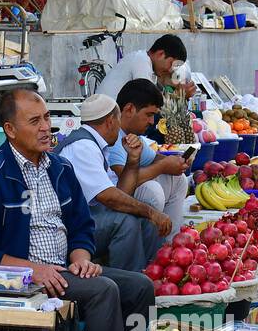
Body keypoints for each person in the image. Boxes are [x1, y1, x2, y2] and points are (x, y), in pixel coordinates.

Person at [0, 88, 153, 331]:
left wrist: (81, 258)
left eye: (47, 118)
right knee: (103, 291)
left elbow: (81, 226)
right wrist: (33, 269)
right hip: (24, 278)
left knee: (140, 286)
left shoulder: (60, 169)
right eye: (34, 121)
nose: (46, 127)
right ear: (10, 130)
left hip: (62, 270)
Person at [52, 94, 171, 272]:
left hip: (89, 217)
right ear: (110, 121)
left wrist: (133, 160)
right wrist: (151, 211)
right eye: (119, 120)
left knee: (146, 219)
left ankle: (153, 274)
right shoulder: (83, 147)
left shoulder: (94, 144)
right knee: (126, 221)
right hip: (72, 227)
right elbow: (109, 198)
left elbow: (121, 192)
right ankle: (132, 283)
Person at [107, 79, 190, 233]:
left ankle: (171, 245)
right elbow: (125, 183)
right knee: (152, 190)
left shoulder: (132, 135)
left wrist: (174, 162)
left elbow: (153, 158)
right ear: (129, 109)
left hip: (126, 197)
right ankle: (151, 253)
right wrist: (163, 166)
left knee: (178, 179)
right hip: (112, 206)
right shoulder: (112, 136)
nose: (152, 122)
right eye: (149, 114)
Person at [97, 33, 190, 105]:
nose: (170, 70)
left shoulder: (149, 65)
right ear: (160, 54)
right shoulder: (141, 61)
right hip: (106, 117)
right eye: (171, 64)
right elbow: (149, 101)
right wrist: (179, 96)